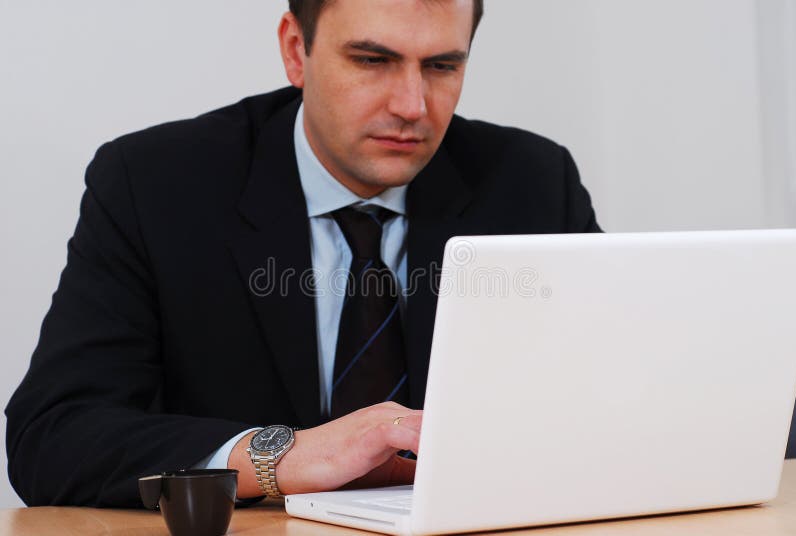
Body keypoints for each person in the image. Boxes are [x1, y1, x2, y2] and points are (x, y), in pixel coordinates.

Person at [5, 0, 603, 507]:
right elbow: (53, 437)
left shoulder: (534, 183)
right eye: (372, 60)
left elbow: (615, 402)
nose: (412, 106)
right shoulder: (155, 184)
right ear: (296, 50)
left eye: (442, 65)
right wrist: (283, 456)